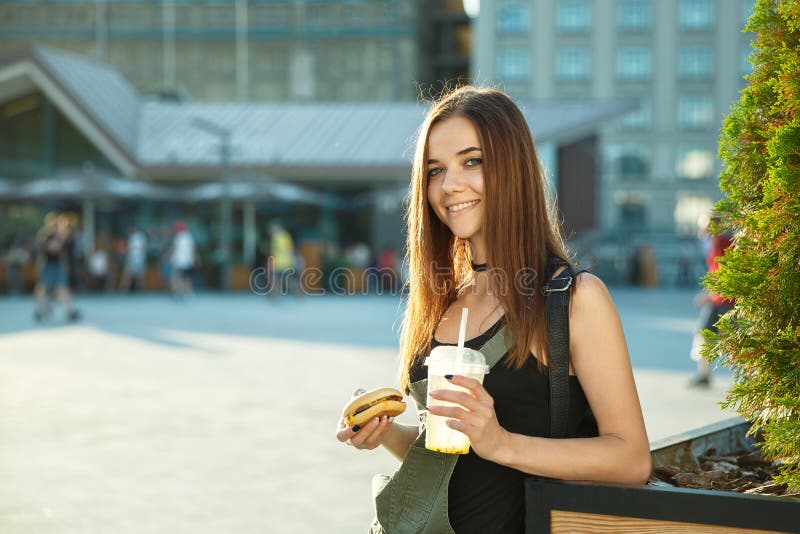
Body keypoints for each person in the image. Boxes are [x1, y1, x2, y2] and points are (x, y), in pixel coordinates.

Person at [335, 87, 651, 532]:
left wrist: (501, 442)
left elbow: (631, 458)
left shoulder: (573, 299)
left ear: (513, 167)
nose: (450, 185)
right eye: (435, 170)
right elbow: (450, 460)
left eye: (471, 161)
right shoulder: (441, 299)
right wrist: (387, 433)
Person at [688, 223, 735, 388]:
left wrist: (707, 294)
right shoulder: (718, 243)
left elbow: (721, 274)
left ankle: (705, 374)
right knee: (705, 335)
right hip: (719, 299)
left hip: (723, 301)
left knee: (705, 334)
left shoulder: (721, 244)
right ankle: (704, 374)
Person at [119, 225, 148, 292]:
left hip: (137, 259)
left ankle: (139, 290)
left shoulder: (140, 237)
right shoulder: (133, 237)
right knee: (129, 275)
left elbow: (143, 248)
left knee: (135, 276)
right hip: (134, 259)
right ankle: (125, 290)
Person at [170, 220, 195, 298]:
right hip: (187, 261)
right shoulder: (189, 237)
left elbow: (174, 249)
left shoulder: (178, 237)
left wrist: (171, 258)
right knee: (187, 278)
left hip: (178, 261)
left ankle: (178, 292)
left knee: (176, 277)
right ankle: (188, 293)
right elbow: (192, 249)